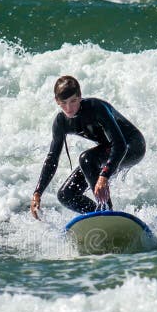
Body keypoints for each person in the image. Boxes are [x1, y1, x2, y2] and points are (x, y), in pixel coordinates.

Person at [30, 75, 145, 220]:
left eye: (73, 101)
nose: (69, 108)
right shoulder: (61, 122)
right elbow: (52, 158)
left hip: (132, 146)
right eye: (64, 103)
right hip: (110, 149)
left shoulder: (96, 108)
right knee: (66, 195)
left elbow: (120, 144)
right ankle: (96, 217)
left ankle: (106, 212)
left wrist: (104, 176)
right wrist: (37, 193)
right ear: (57, 102)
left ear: (80, 97)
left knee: (87, 159)